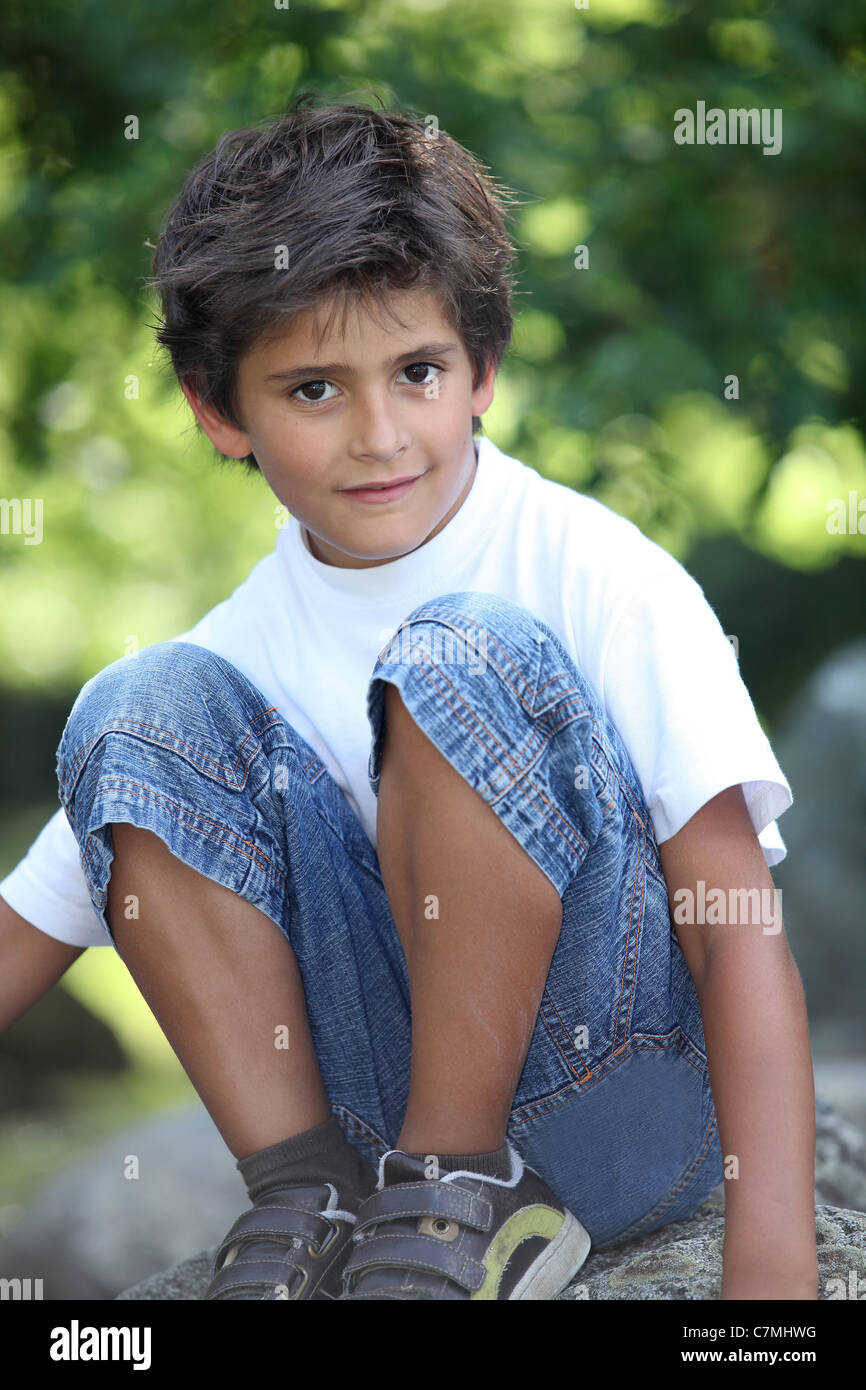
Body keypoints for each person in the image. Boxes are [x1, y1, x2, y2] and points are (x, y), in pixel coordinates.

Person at [0, 92, 818, 1301]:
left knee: (454, 658)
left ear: (481, 369)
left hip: (615, 1109)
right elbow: (32, 926)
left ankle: (467, 1182)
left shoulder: (598, 576)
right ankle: (306, 1194)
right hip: (370, 1138)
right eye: (313, 390)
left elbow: (733, 919)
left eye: (417, 370)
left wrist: (772, 1277)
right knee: (138, 701)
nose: (378, 434)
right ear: (219, 410)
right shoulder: (245, 645)